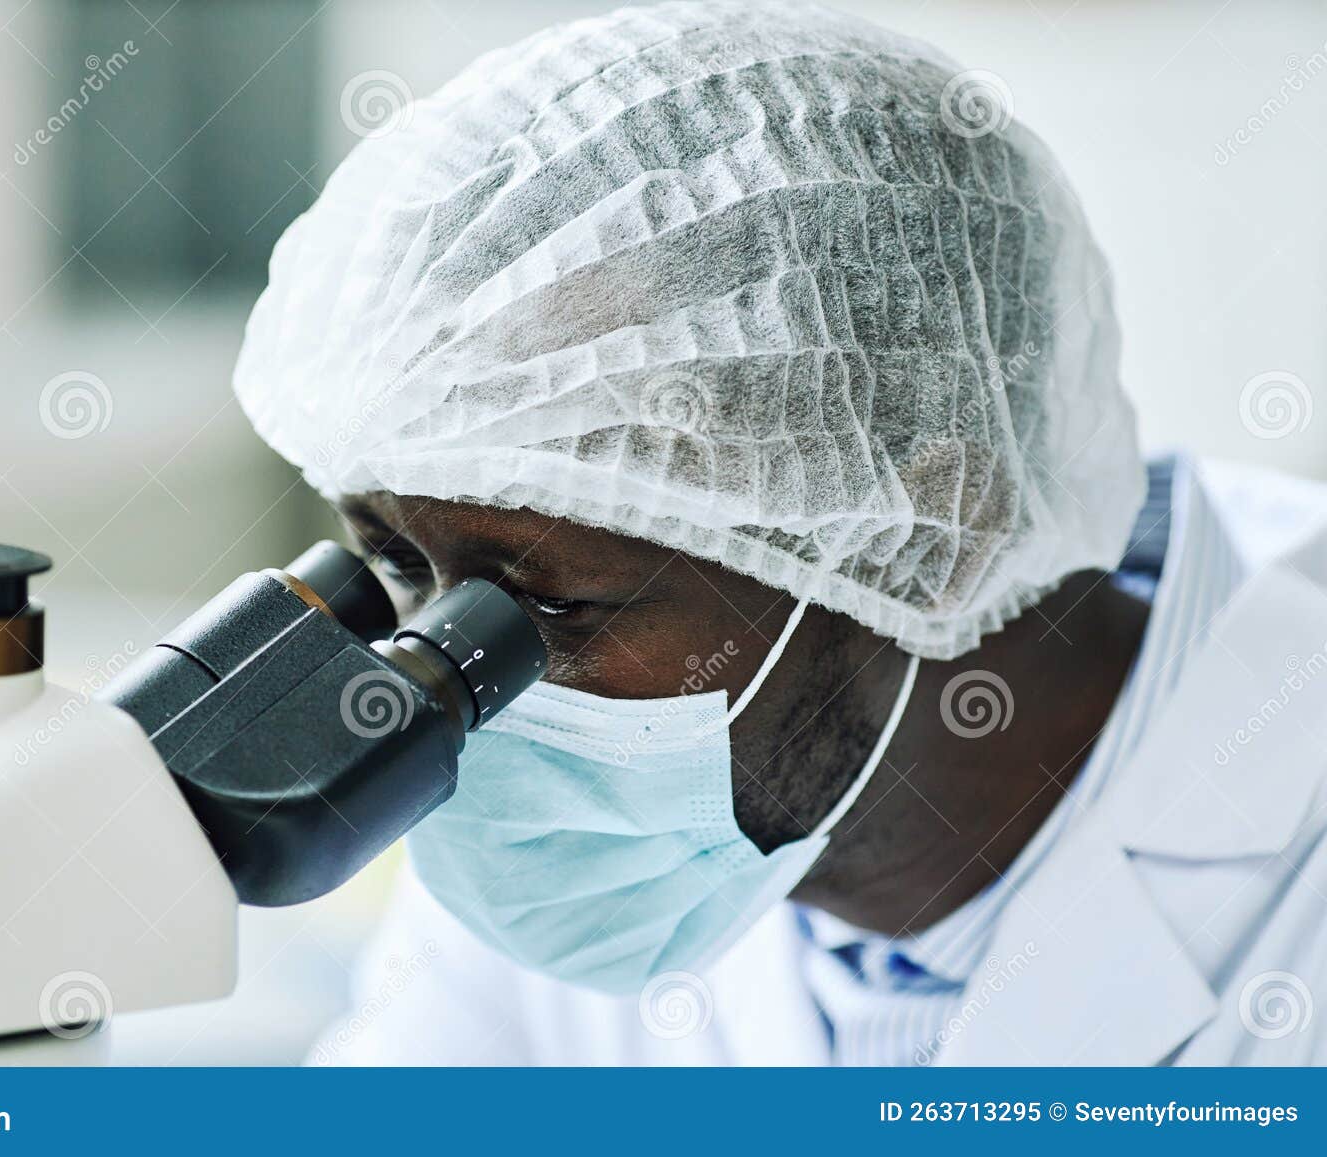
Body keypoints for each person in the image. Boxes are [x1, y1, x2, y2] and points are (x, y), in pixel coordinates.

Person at [234, 1, 1327, 1065]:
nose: (440, 681)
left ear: (929, 529)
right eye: (392, 562)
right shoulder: (572, 855)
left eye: (551, 604)